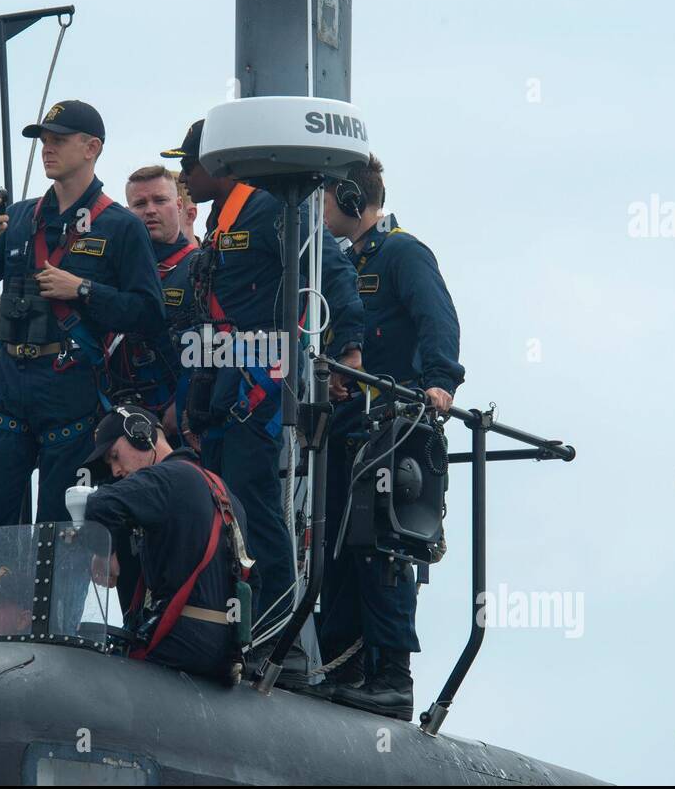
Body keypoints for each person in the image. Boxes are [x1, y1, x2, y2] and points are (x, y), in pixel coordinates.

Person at [162, 119, 365, 641]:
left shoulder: (272, 208)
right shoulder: (218, 221)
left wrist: (350, 350)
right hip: (218, 380)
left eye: (188, 165)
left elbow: (332, 271)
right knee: (220, 499)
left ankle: (275, 623)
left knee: (251, 497)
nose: (183, 177)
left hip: (260, 381)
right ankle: (230, 616)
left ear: (216, 164)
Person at [0, 100, 164, 526]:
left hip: (69, 389)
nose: (47, 149)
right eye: (44, 140)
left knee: (61, 529)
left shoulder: (121, 226)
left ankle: (50, 597)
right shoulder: (19, 216)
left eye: (59, 140)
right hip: (7, 385)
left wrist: (82, 290)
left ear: (91, 148)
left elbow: (149, 315)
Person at [312, 154, 466, 721]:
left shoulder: (402, 253)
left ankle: (391, 676)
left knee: (384, 545)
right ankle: (345, 666)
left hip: (391, 429)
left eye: (324, 200)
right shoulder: (333, 262)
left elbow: (437, 320)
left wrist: (439, 384)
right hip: (346, 428)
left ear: (351, 200)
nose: (318, 213)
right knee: (341, 546)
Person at [82, 406, 256, 679]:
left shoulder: (168, 478)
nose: (115, 471)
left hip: (183, 640)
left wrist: (105, 554)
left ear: (140, 434)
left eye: (115, 456)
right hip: (225, 648)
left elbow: (98, 505)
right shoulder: (225, 493)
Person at [112, 165, 199, 439]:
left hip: (177, 416)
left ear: (179, 204)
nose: (150, 210)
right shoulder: (114, 271)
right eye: (140, 204)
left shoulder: (199, 267)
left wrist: (184, 402)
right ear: (128, 213)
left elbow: (214, 344)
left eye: (159, 201)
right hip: (119, 411)